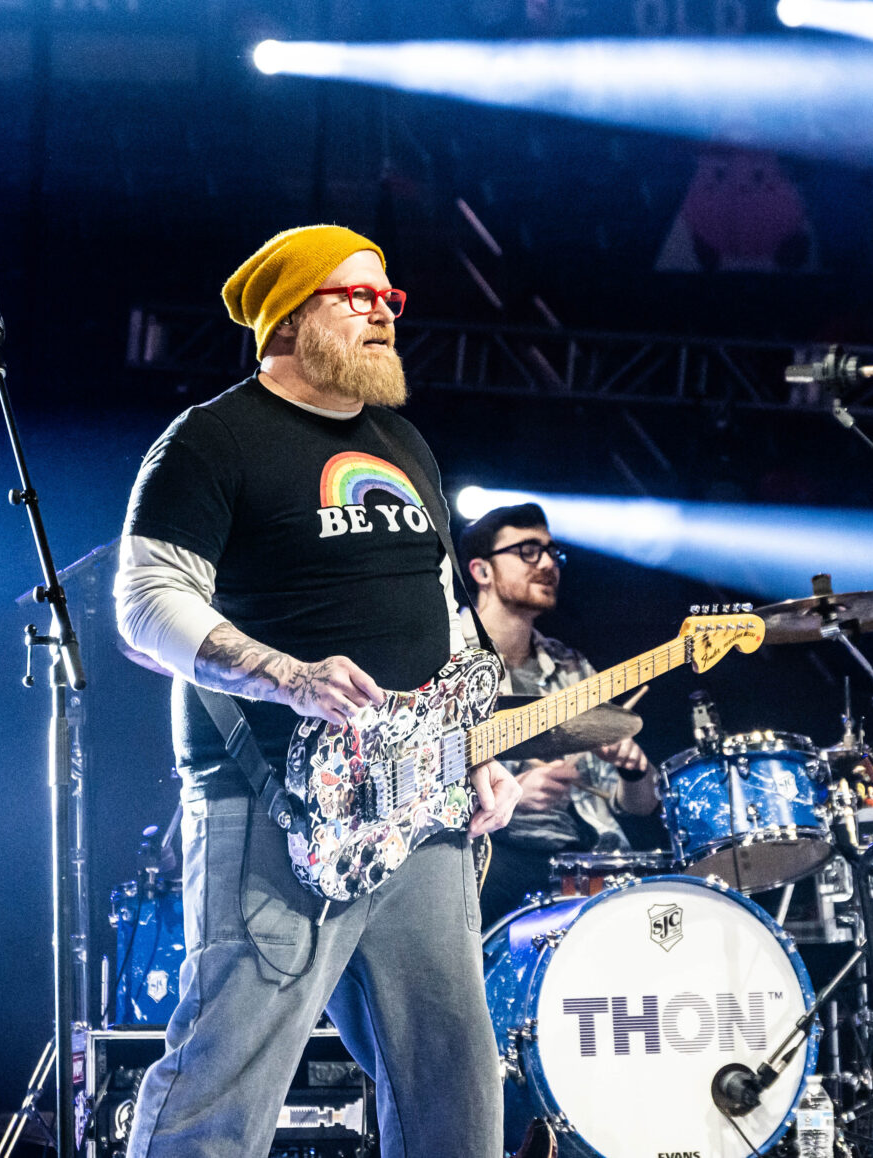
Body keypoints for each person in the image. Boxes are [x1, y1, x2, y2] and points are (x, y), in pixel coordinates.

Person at [113, 224, 521, 1158]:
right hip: (274, 804)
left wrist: (480, 749)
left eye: (391, 299)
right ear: (291, 319)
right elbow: (145, 605)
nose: (384, 313)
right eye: (358, 296)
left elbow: (449, 615)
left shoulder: (404, 442)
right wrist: (285, 676)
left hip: (420, 808)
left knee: (454, 1085)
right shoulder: (215, 439)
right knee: (228, 1073)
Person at [460, 503, 669, 927]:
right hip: (484, 853)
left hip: (579, 857)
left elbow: (641, 806)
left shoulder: (571, 667)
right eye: (528, 551)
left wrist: (633, 770)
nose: (548, 563)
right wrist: (512, 795)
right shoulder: (447, 656)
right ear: (482, 571)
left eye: (553, 552)